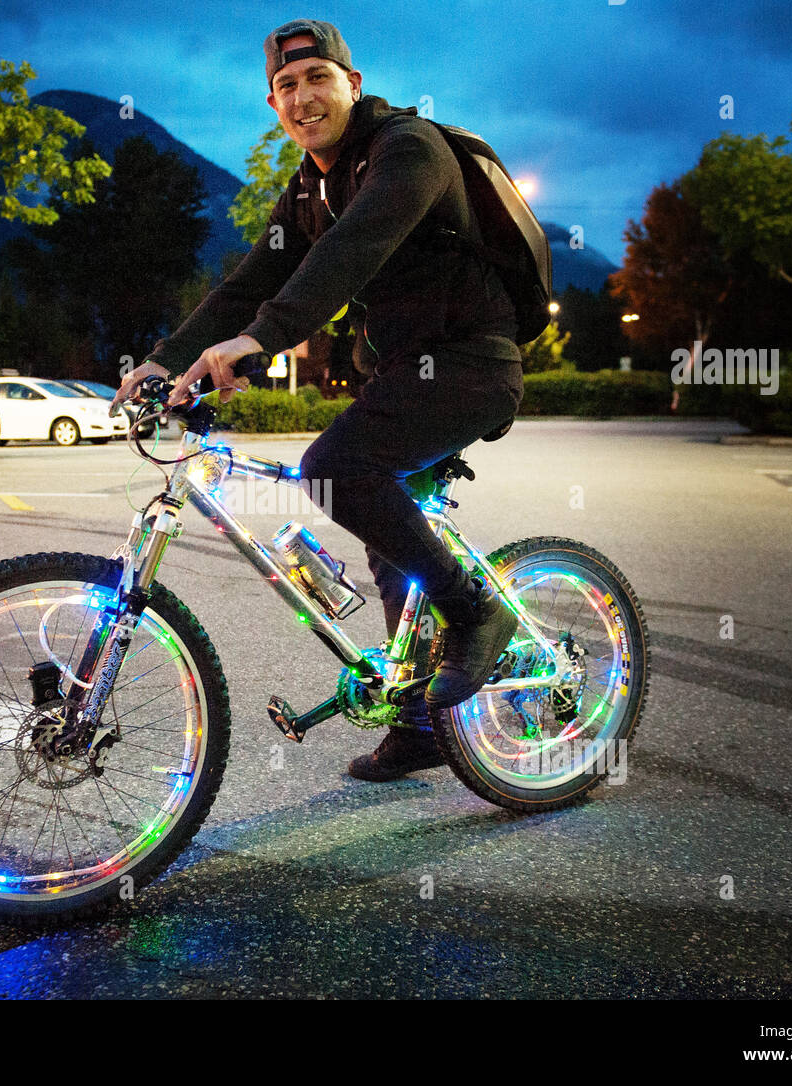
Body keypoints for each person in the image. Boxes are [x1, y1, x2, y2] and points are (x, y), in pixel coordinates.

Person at [114, 19, 523, 781]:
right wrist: (165, 362)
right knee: (385, 525)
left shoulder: (408, 150)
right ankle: (419, 722)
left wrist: (260, 341)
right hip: (403, 369)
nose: (303, 98)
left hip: (473, 364)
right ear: (273, 104)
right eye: (287, 87)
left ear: (353, 84)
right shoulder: (310, 188)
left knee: (336, 466)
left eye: (318, 80)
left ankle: (475, 611)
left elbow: (350, 252)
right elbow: (249, 283)